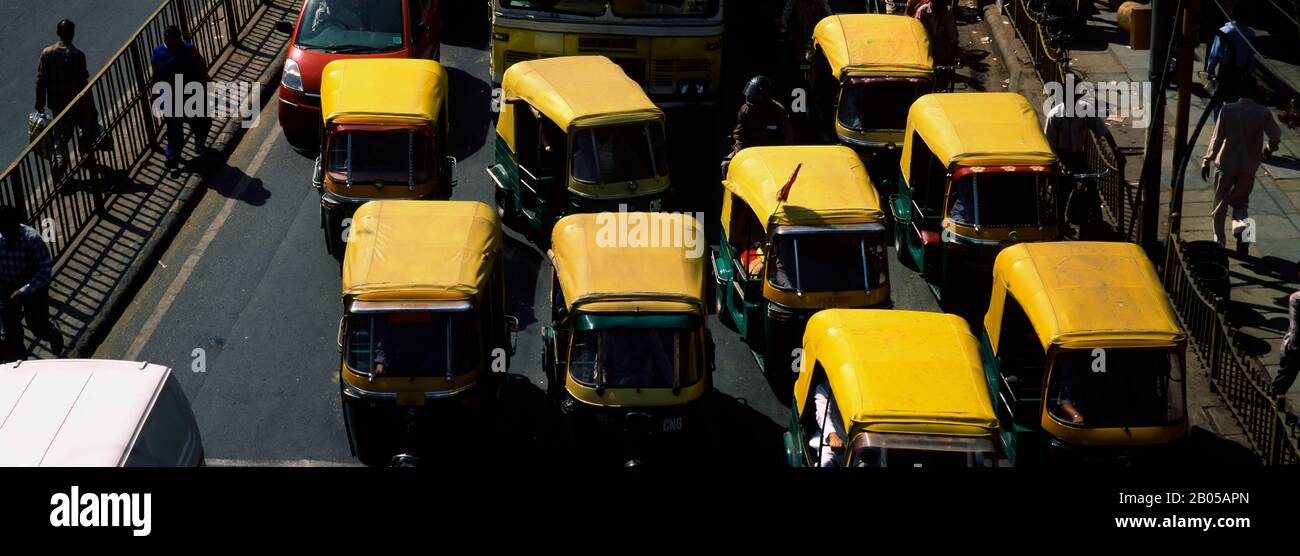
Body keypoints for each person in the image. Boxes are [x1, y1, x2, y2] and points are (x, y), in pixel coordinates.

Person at [1201, 77, 1281, 249]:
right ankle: (1244, 232)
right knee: (1242, 201)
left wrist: (1207, 159)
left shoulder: (1227, 110)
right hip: (1249, 165)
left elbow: (1217, 138)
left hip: (1227, 163)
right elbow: (1275, 136)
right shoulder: (1263, 112)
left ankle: (1219, 242)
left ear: (1238, 92)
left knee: (1220, 202)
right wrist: (1268, 149)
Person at [1043, 90, 1121, 236]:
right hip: (1062, 156)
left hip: (1078, 155)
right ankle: (1060, 224)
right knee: (1062, 191)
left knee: (1091, 186)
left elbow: (1103, 130)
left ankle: (1096, 222)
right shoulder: (1055, 116)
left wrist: (1116, 151)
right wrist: (1060, 162)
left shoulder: (1085, 111)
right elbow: (1048, 143)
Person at [0, 206, 62, 362]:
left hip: (32, 288)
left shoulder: (31, 239)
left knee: (37, 326)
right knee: (10, 332)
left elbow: (44, 269)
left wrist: (24, 291)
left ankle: (52, 333)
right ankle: (19, 363)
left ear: (16, 224)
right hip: (7, 287)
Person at [35, 19, 95, 168]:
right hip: (77, 103)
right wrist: (91, 106)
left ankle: (60, 170)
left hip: (57, 104)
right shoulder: (78, 55)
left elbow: (40, 80)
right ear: (73, 34)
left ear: (58, 33)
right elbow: (83, 83)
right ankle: (87, 158)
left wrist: (40, 103)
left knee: (61, 139)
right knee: (85, 129)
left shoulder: (46, 54)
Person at [151, 25, 211, 167]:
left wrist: (205, 81)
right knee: (173, 126)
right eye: (166, 40)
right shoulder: (158, 52)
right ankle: (173, 155)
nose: (168, 43)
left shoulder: (188, 50)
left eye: (170, 40)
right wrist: (154, 93)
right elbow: (155, 74)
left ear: (177, 40)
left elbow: (201, 65)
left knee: (200, 120)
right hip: (170, 94)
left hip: (190, 91)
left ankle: (199, 142)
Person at [731, 76, 793, 154]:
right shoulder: (745, 110)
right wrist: (739, 151)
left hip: (772, 152)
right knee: (725, 164)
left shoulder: (778, 110)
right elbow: (738, 134)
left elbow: (788, 137)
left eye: (755, 96)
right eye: (750, 95)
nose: (751, 98)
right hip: (750, 151)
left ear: (764, 95)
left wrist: (783, 154)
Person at [1204, 4, 1256, 90]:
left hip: (1226, 68)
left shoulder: (1224, 31)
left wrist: (1210, 70)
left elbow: (1215, 53)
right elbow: (1251, 54)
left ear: (1231, 14)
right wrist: (1249, 70)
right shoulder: (1250, 33)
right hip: (1241, 69)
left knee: (1222, 94)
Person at [1271, 260, 1300, 398]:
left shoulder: (1296, 298)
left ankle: (1245, 239)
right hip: (1295, 346)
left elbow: (1295, 327)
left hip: (1295, 347)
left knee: (1283, 379)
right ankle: (1246, 240)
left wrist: (1293, 346)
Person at [915, 0, 959, 89]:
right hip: (923, 55)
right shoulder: (922, 11)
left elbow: (953, 37)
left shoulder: (947, 12)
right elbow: (915, 34)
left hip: (941, 55)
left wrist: (954, 56)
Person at [810, 381, 847, 467]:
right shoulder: (823, 387)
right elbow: (822, 414)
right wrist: (832, 434)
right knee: (825, 463)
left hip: (861, 440)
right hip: (830, 439)